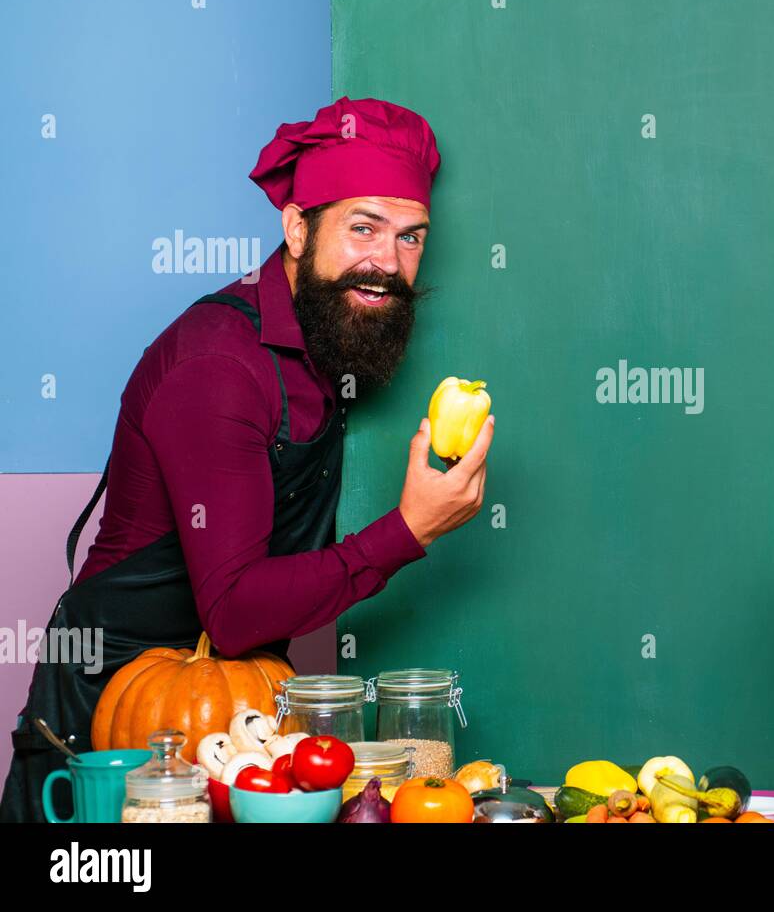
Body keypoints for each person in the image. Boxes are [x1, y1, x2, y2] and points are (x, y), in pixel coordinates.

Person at [1, 97, 492, 822]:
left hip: (242, 727)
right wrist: (409, 528)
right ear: (297, 226)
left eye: (411, 237)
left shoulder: (331, 341)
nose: (387, 262)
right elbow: (229, 612)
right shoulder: (219, 364)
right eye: (363, 227)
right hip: (114, 728)